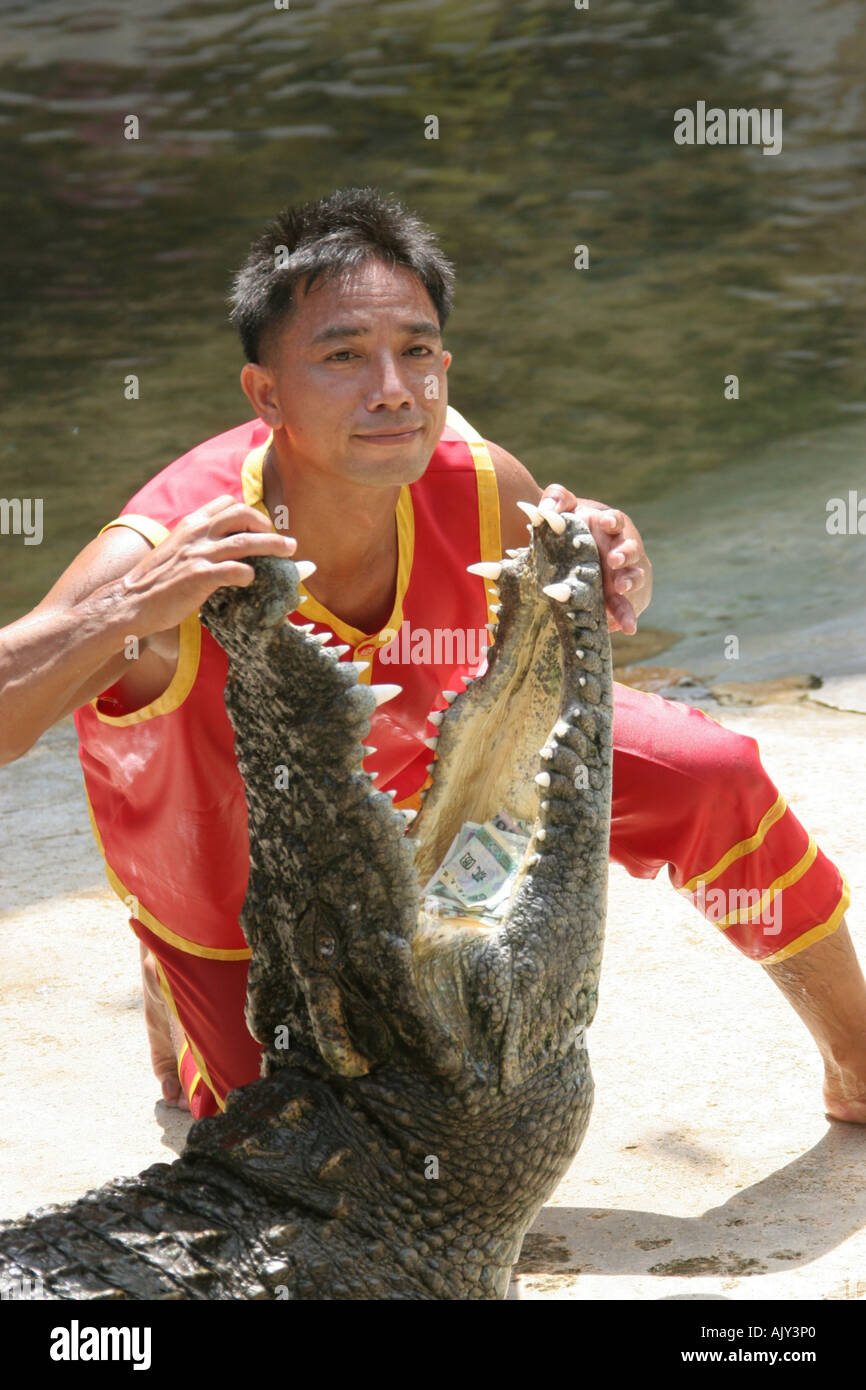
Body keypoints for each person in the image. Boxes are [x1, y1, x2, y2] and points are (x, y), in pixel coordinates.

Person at [1, 188, 864, 1125]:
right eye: (342, 357)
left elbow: (566, 685)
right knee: (305, 1145)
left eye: (416, 353)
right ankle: (172, 967)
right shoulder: (172, 543)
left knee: (713, 772)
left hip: (432, 788)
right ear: (266, 394)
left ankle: (857, 1059)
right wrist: (121, 610)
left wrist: (611, 568)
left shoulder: (486, 483)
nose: (393, 390)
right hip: (235, 867)